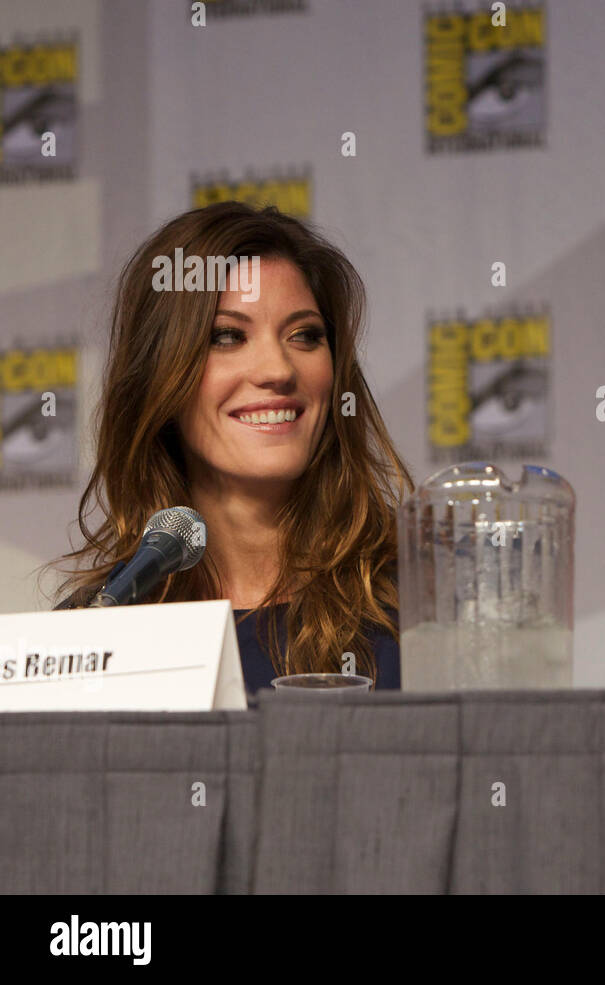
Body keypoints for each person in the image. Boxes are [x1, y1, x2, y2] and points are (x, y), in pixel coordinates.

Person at [47, 202, 413, 694]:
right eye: (227, 336)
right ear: (160, 377)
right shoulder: (97, 631)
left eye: (305, 335)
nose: (277, 369)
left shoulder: (422, 600)